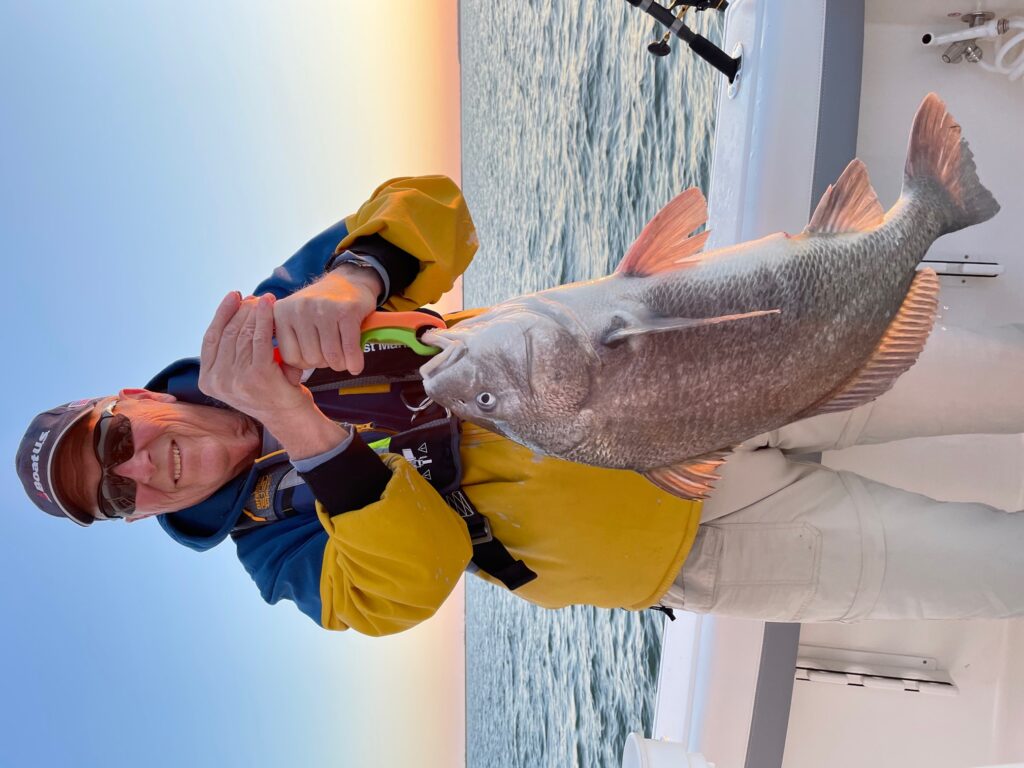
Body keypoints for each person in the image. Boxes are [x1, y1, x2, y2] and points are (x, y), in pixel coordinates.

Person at [16, 175, 1024, 636]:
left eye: (113, 441)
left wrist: (355, 278)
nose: (138, 470)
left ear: (133, 398)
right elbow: (412, 582)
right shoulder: (276, 559)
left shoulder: (269, 316)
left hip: (715, 350)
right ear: (134, 515)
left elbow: (436, 210)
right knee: (990, 574)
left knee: (1003, 379)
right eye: (112, 496)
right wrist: (298, 424)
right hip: (698, 541)